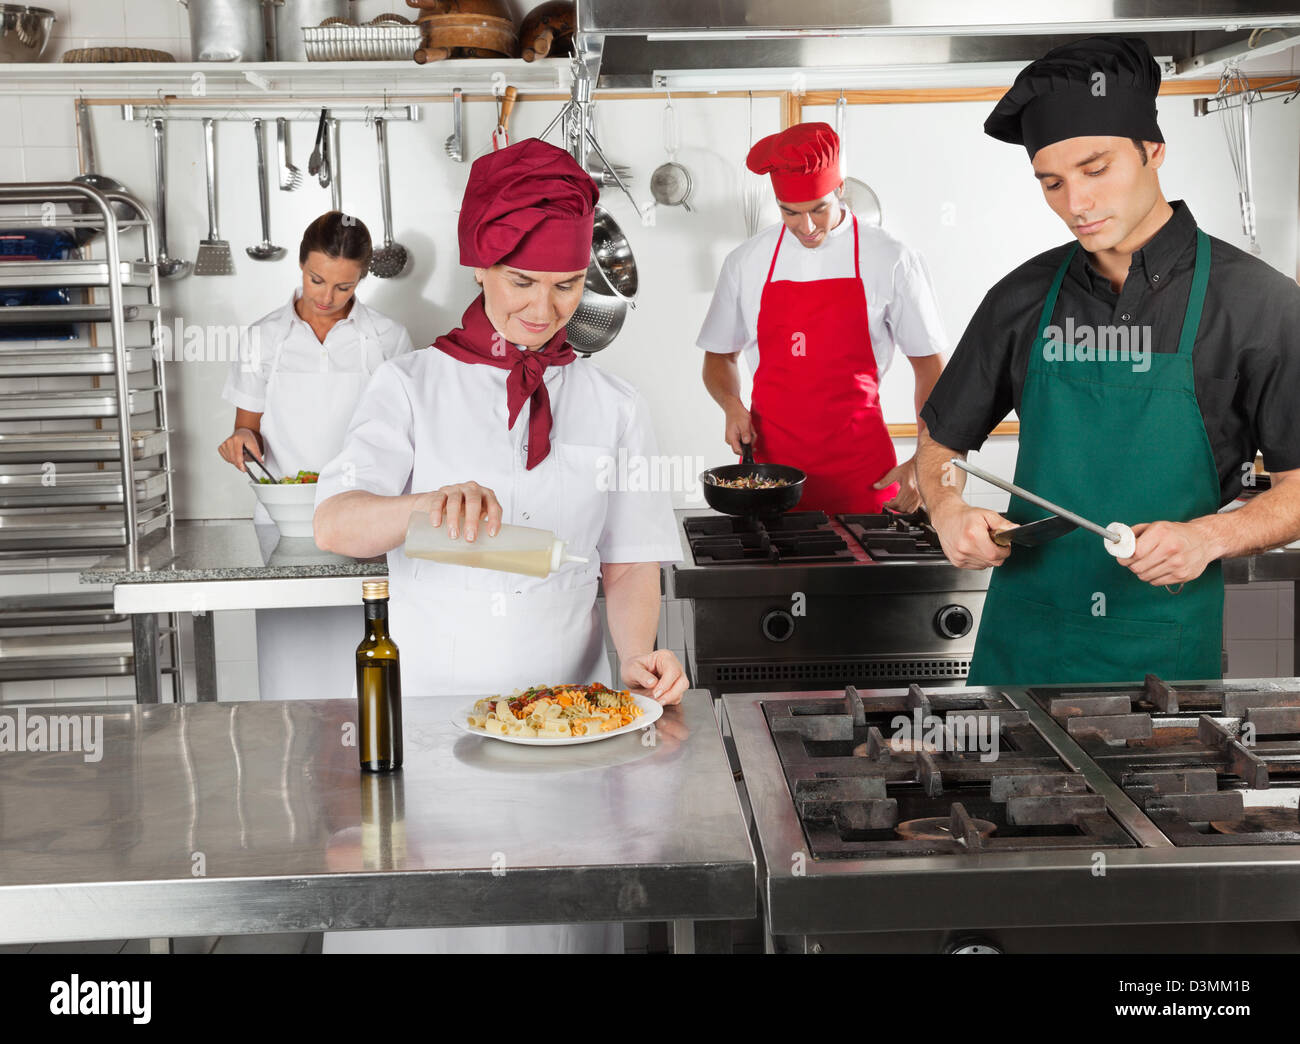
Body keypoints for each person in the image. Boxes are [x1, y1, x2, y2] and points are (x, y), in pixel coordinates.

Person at [313, 138, 687, 953]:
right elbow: (335, 524)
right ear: (481, 265)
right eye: (523, 281)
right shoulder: (409, 385)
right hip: (431, 736)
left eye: (567, 285)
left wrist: (637, 656)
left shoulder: (615, 405)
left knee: (550, 935)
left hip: (570, 737)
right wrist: (422, 505)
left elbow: (627, 563)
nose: (544, 309)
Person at [915, 36, 1300, 686]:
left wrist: (1208, 538)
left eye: (1096, 170)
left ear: (1153, 150)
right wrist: (949, 509)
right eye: (1053, 183)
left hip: (1164, 662)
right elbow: (939, 448)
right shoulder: (1020, 298)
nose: (1077, 204)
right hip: (1022, 652)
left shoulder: (1261, 304)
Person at [698, 122, 948, 513]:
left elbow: (930, 368)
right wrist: (731, 403)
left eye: (819, 208)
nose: (808, 226)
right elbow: (719, 356)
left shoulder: (892, 259)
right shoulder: (746, 262)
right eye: (790, 213)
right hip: (771, 477)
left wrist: (924, 461)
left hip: (864, 473)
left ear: (840, 189)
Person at [217, 212, 414, 700]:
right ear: (301, 264)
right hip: (283, 527)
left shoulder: (390, 338)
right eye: (316, 279)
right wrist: (241, 443)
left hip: (365, 523)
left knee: (365, 680)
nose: (326, 297)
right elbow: (247, 429)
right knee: (291, 684)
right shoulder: (263, 338)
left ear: (362, 279)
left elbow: (410, 434)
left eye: (344, 288)